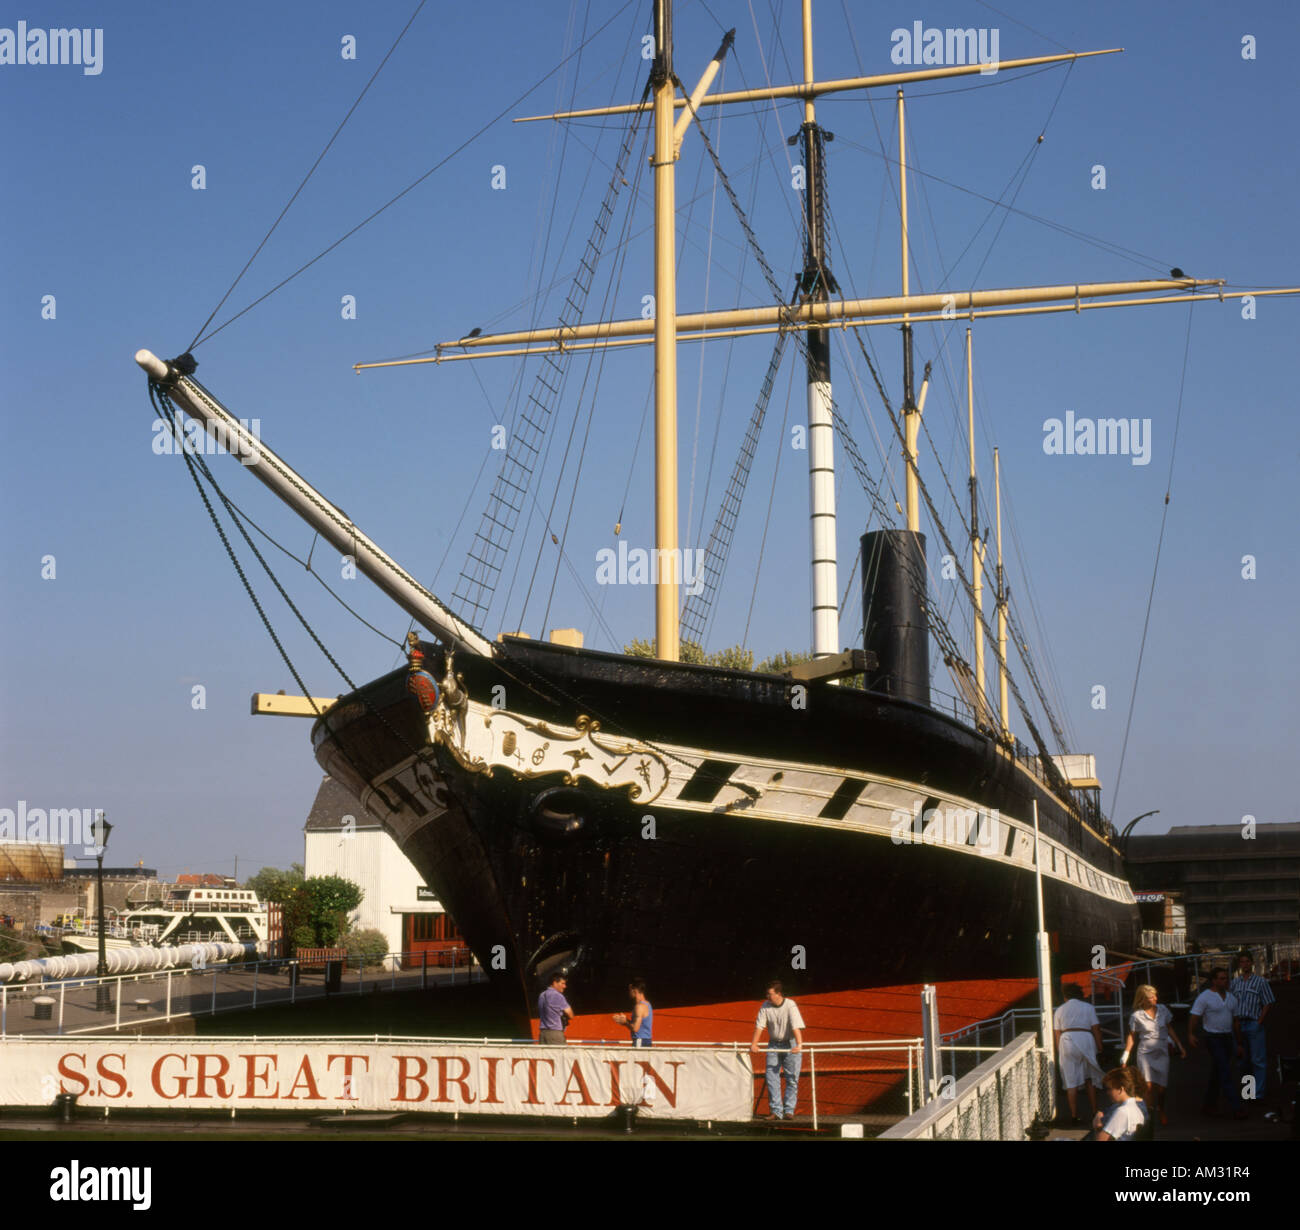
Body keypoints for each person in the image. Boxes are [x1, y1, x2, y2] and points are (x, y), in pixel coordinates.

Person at [1123, 984, 1186, 1126]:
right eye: (1150, 997)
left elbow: (1170, 1028)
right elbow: (1132, 1036)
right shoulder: (1136, 1016)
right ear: (1142, 1000)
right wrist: (1126, 1054)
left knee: (1162, 1087)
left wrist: (1180, 1046)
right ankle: (1148, 1115)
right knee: (1148, 1086)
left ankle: (1161, 1109)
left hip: (1162, 1050)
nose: (1154, 999)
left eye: (1155, 995)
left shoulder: (1163, 1010)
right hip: (1145, 1052)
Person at [1189, 966, 1245, 1118]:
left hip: (1227, 1037)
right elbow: (1195, 1016)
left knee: (1218, 1072)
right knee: (1225, 1071)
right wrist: (1191, 1034)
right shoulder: (1204, 997)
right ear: (1213, 981)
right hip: (1213, 1038)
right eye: (1221, 978)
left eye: (1226, 978)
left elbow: (1236, 1022)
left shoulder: (1232, 998)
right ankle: (1237, 1107)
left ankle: (1209, 1105)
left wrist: (1239, 1043)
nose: (1224, 981)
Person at [750, 979, 804, 1121]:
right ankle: (776, 1111)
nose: (767, 997)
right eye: (767, 994)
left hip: (790, 1042)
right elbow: (760, 1026)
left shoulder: (790, 1005)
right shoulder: (765, 1006)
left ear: (779, 994)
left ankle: (789, 1110)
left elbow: (795, 1026)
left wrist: (799, 1044)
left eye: (770, 994)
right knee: (771, 1077)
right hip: (774, 1044)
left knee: (792, 1078)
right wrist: (754, 1044)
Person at [1053, 982, 1105, 1124]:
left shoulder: (1059, 1010)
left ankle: (1074, 1115)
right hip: (1086, 1038)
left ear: (1065, 996)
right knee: (1090, 1078)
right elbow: (1096, 1028)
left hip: (1066, 1040)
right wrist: (1100, 1046)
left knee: (1071, 1081)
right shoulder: (1089, 1007)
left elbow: (1057, 1033)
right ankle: (1094, 1111)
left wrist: (1059, 1050)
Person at [1232, 951, 1274, 1101]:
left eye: (1247, 962)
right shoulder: (1235, 983)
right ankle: (1248, 1092)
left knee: (1258, 1060)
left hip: (1253, 1023)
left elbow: (1268, 1002)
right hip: (1239, 1024)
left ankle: (1259, 1093)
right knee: (1244, 1061)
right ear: (1240, 964)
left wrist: (1260, 1021)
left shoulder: (1260, 982)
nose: (1245, 965)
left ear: (1251, 963)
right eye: (1242, 962)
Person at [1088, 1067, 1150, 1141]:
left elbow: (1100, 1139)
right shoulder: (1136, 1107)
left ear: (1120, 1090)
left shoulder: (1122, 1111)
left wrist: (1097, 1127)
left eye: (1109, 1089)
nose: (1107, 1093)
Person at [612, 978, 653, 1047]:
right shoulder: (648, 1004)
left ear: (634, 990)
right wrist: (626, 1020)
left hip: (640, 1042)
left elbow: (635, 1028)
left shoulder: (639, 1006)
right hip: (646, 1041)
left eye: (629, 990)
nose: (629, 993)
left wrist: (625, 1022)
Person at [538, 972, 574, 1044]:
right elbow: (571, 1015)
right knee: (562, 1055)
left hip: (543, 1034)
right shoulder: (558, 995)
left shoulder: (542, 995)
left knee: (546, 1055)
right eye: (562, 983)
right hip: (555, 1034)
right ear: (554, 983)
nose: (565, 986)